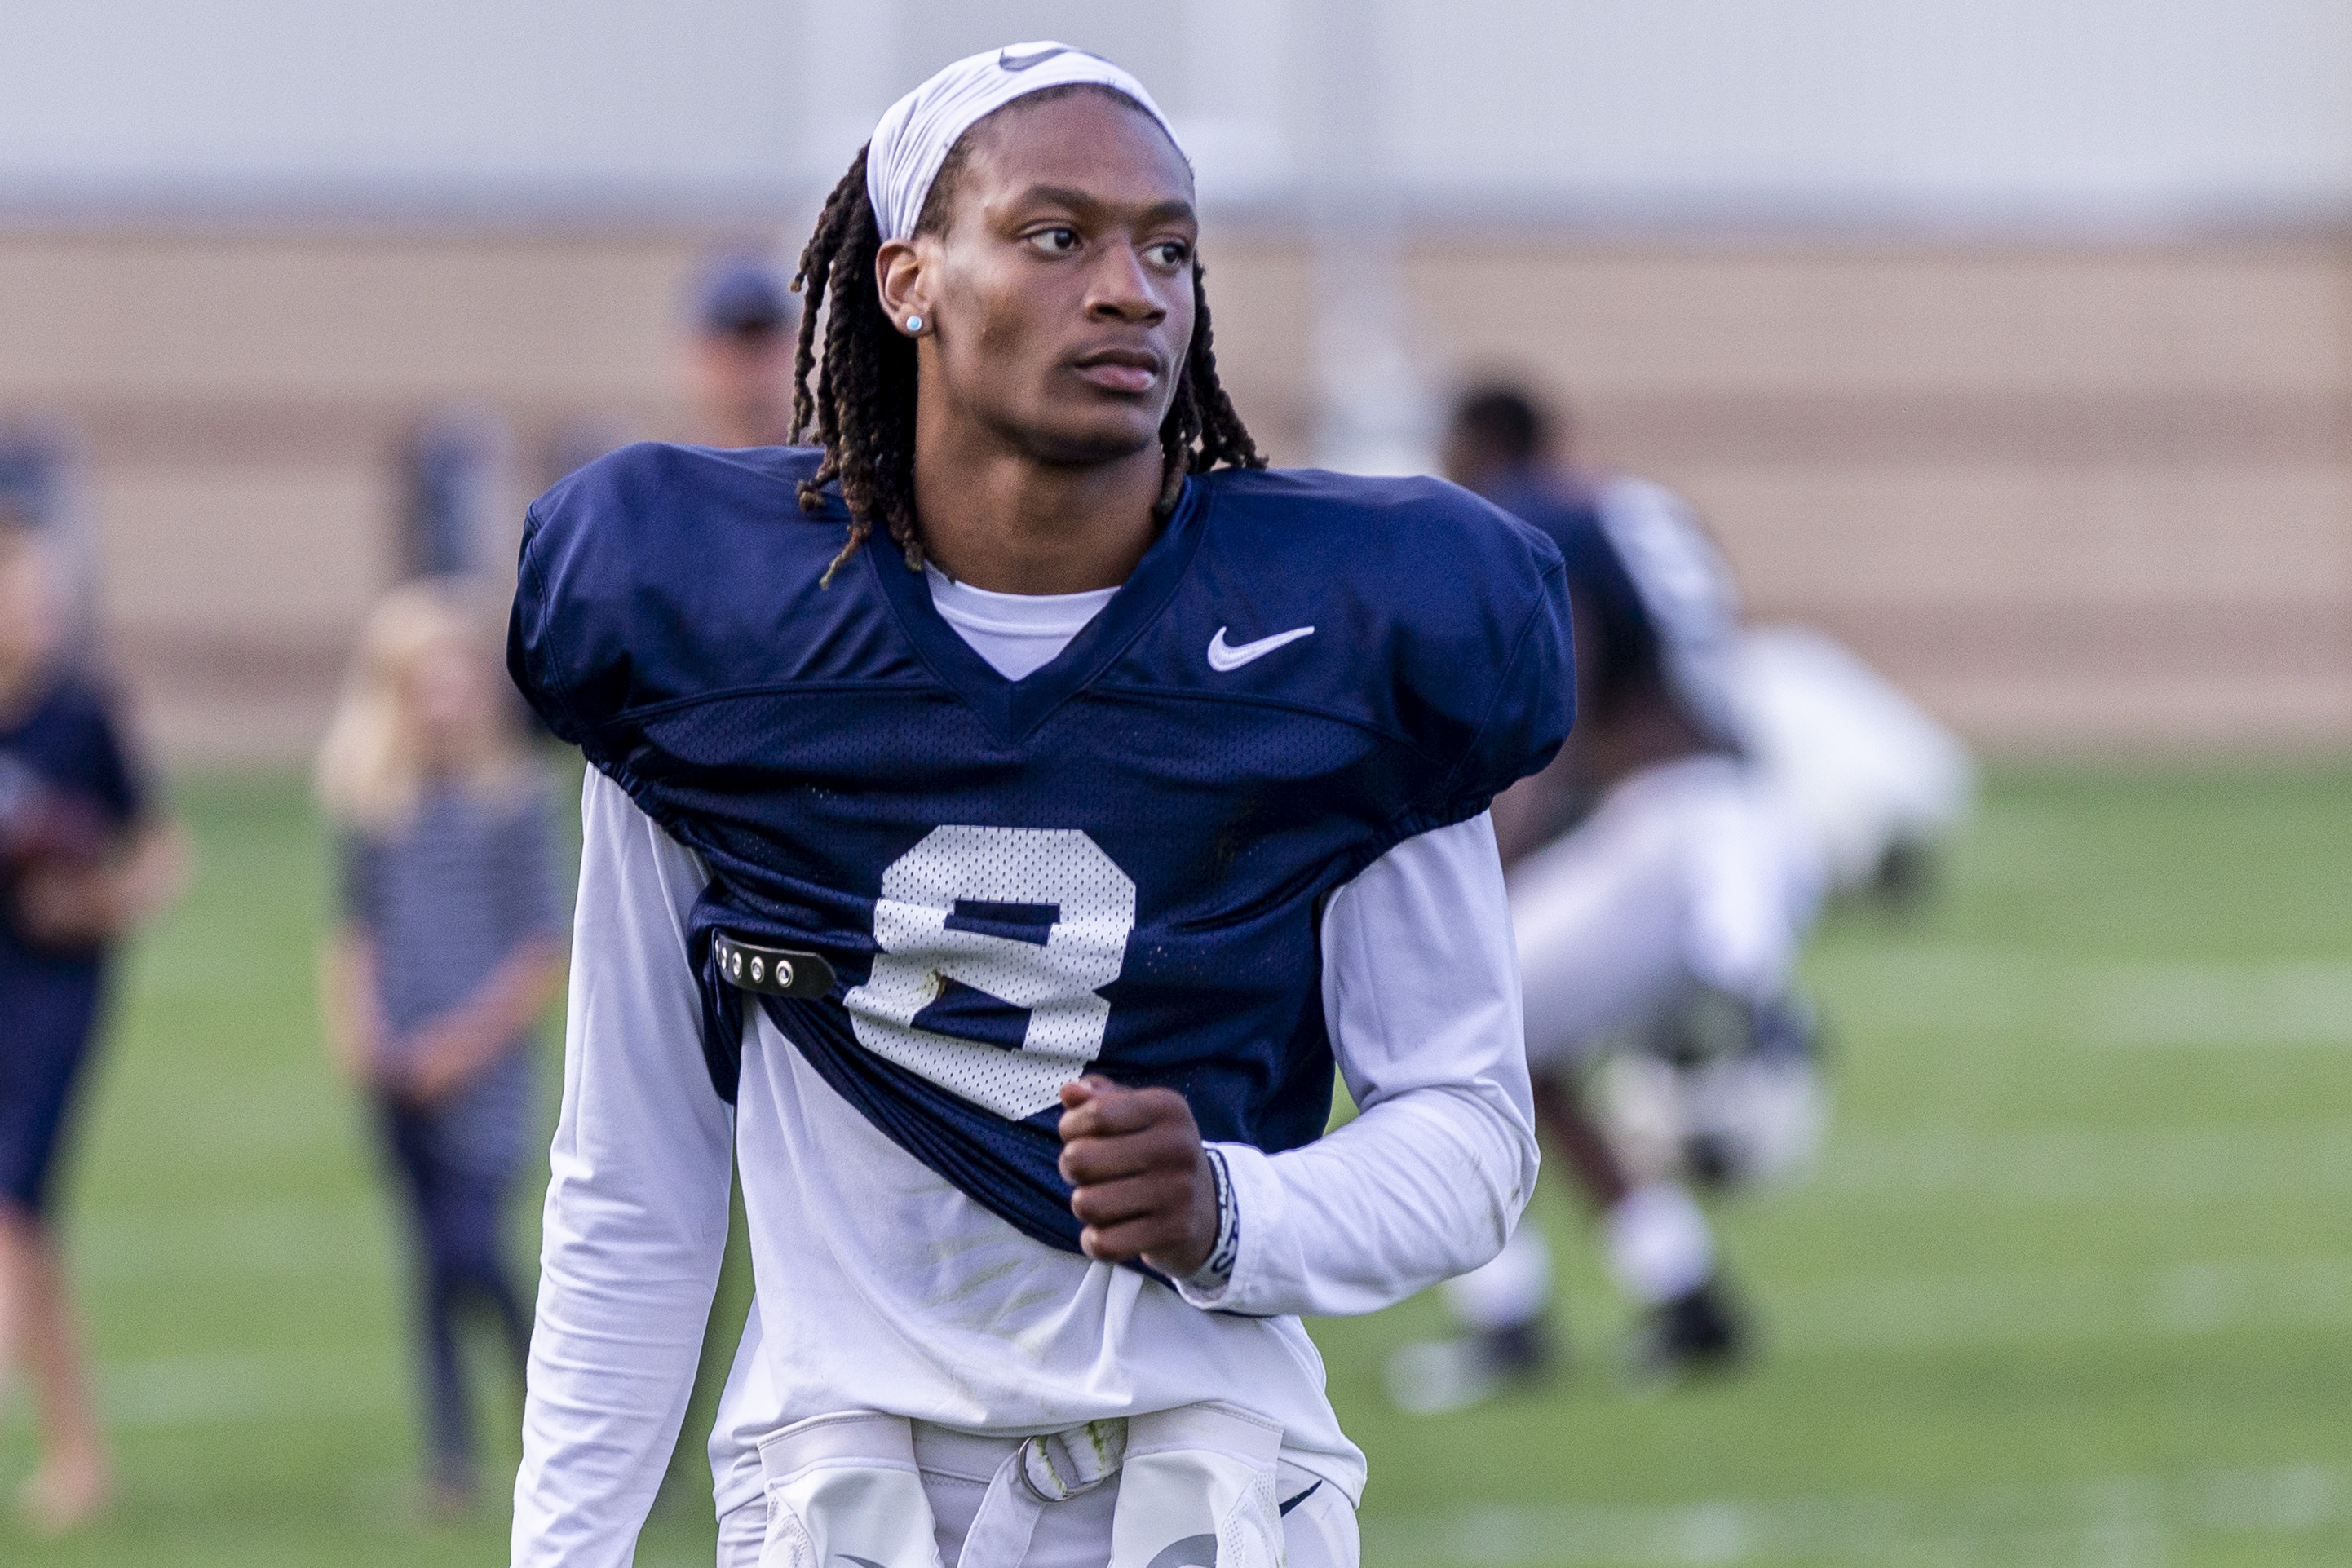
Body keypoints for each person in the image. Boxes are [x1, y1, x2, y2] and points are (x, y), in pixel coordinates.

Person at [508, 44, 1568, 1568]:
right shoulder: (712, 628)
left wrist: (1225, 1204)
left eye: (1169, 246)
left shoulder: (1345, 633)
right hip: (837, 1490)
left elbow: (1468, 1133)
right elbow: (634, 1168)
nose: (1130, 287)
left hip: (1207, 1481)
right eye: (1056, 235)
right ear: (906, 281)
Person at [1387, 386, 1828, 1412]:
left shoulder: (1531, 513)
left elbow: (1565, 708)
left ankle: (1506, 1324)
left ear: (1484, 444)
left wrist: (1492, 855)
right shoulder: (1613, 510)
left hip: (1670, 829)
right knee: (1519, 1052)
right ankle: (1682, 1293)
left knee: (1432, 1021)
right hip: (1724, 821)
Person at [315, 580, 566, 1517]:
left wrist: (462, 1047)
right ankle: (449, 1458)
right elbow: (355, 931)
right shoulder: (375, 803)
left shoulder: (515, 803)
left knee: (473, 1249)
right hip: (397, 1070)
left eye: (458, 678)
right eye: (424, 681)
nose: (445, 698)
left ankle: (551, 1408)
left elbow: (540, 950)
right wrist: (363, 1031)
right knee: (425, 1264)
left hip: (481, 1075)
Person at [0, 501, 183, 1533]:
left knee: (14, 1205)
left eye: (43, 590)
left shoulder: (81, 716)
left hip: (58, 991)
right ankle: (78, 1455)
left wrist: (98, 902)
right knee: (24, 1230)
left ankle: (69, 1456)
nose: (37, 608)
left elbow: (161, 853)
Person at [687, 254, 798, 450]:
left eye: (763, 348)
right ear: (703, 355)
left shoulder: (836, 471)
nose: (751, 369)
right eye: (736, 350)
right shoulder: (667, 473)